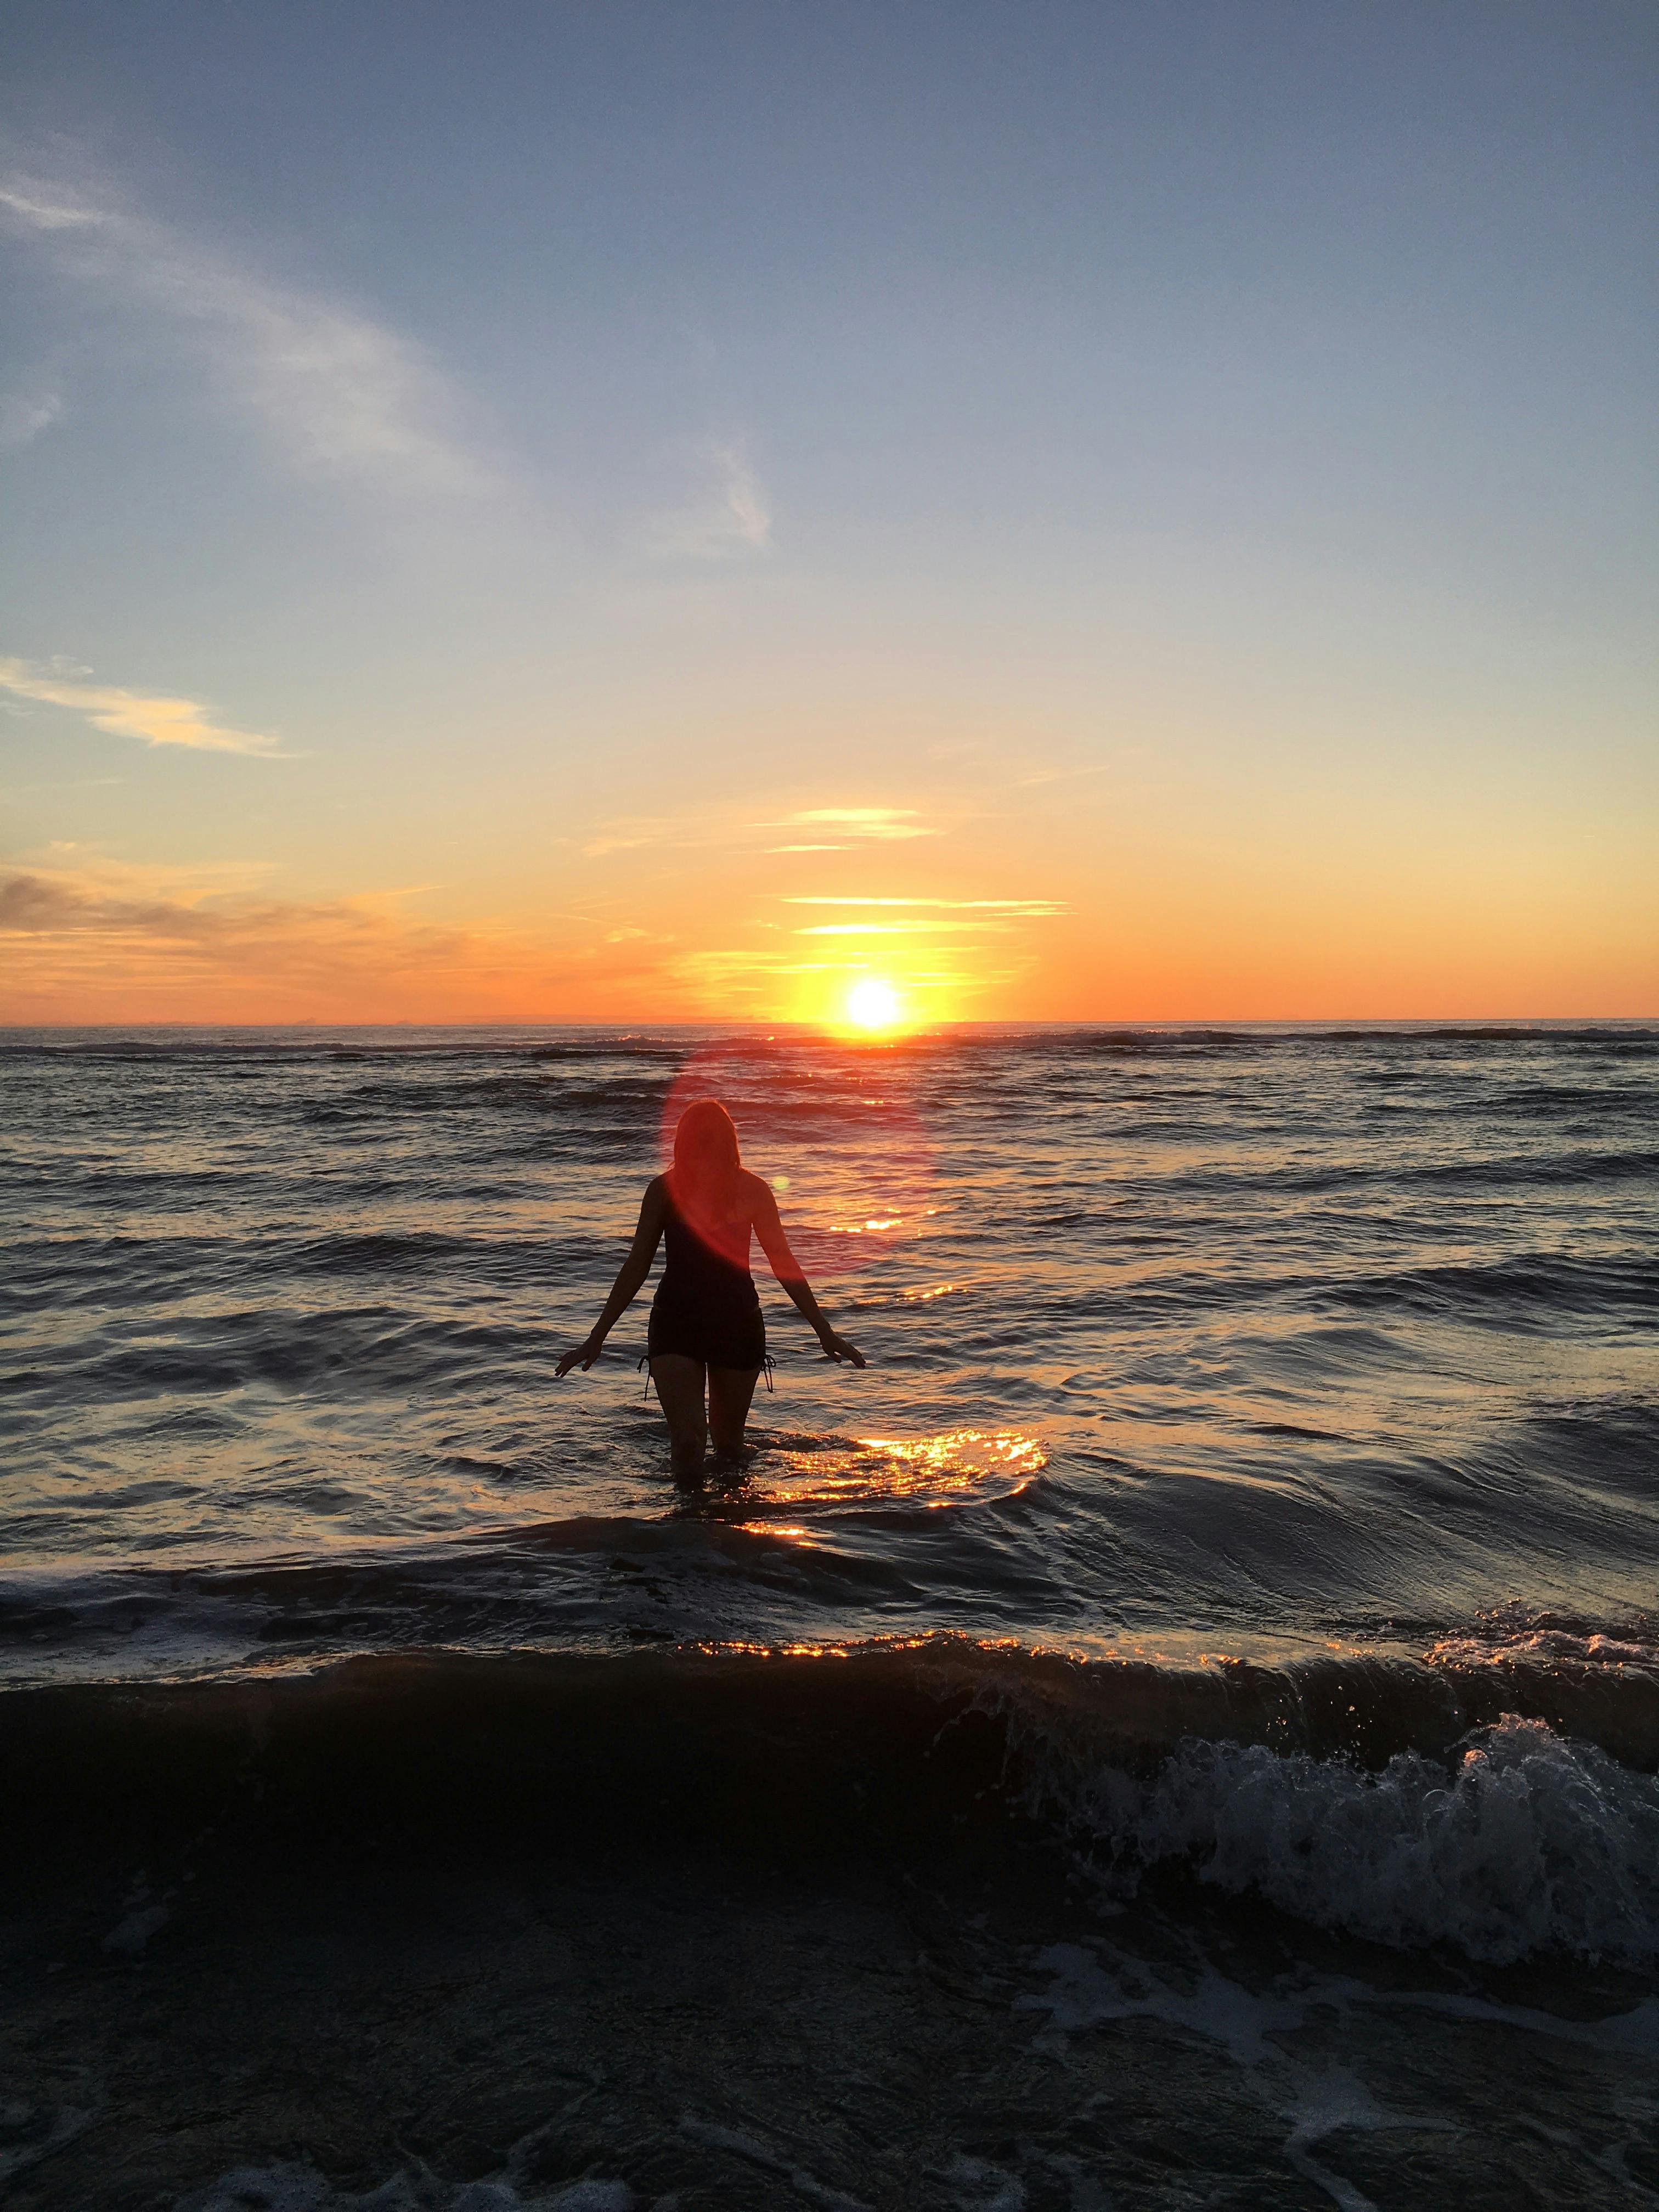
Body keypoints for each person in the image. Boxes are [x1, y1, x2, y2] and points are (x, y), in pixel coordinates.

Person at [555, 1098, 866, 1477]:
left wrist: (824, 1331)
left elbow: (783, 1264)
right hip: (675, 1323)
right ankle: (685, 1531)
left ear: (728, 1142)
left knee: (729, 1449)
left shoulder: (754, 1191)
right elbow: (637, 1266)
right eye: (696, 1139)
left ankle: (728, 1530)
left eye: (712, 1138)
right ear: (682, 1143)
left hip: (737, 1325)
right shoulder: (663, 1192)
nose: (704, 1146)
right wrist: (596, 1337)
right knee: (687, 1443)